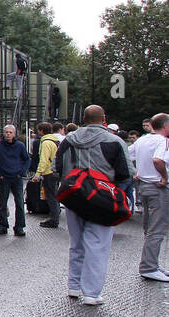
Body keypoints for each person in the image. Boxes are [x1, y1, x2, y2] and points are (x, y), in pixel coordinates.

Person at [56, 105, 131, 306]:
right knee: (97, 244)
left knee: (76, 242)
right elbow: (125, 173)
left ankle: (73, 286)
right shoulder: (115, 141)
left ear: (83, 118)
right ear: (104, 118)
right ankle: (91, 293)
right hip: (102, 198)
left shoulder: (69, 140)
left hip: (74, 195)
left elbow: (59, 167)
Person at [129, 113, 169, 282]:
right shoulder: (162, 141)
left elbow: (127, 155)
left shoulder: (142, 140)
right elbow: (158, 160)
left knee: (149, 228)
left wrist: (136, 172)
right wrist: (165, 177)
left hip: (144, 187)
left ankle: (151, 263)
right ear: (165, 126)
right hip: (157, 187)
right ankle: (149, 267)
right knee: (157, 229)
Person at [0, 123, 30, 237]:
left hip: (16, 177)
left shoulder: (20, 146)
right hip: (4, 177)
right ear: (3, 133)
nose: (8, 134)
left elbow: (26, 160)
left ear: (14, 134)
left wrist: (21, 172)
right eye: (6, 132)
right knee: (2, 203)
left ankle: (19, 227)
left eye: (10, 132)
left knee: (20, 203)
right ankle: (2, 226)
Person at [31, 121, 62, 228]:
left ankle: (54, 219)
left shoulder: (45, 142)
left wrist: (38, 174)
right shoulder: (55, 141)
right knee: (54, 195)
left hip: (48, 172)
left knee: (50, 196)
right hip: (55, 171)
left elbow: (43, 160)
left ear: (41, 131)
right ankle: (55, 216)